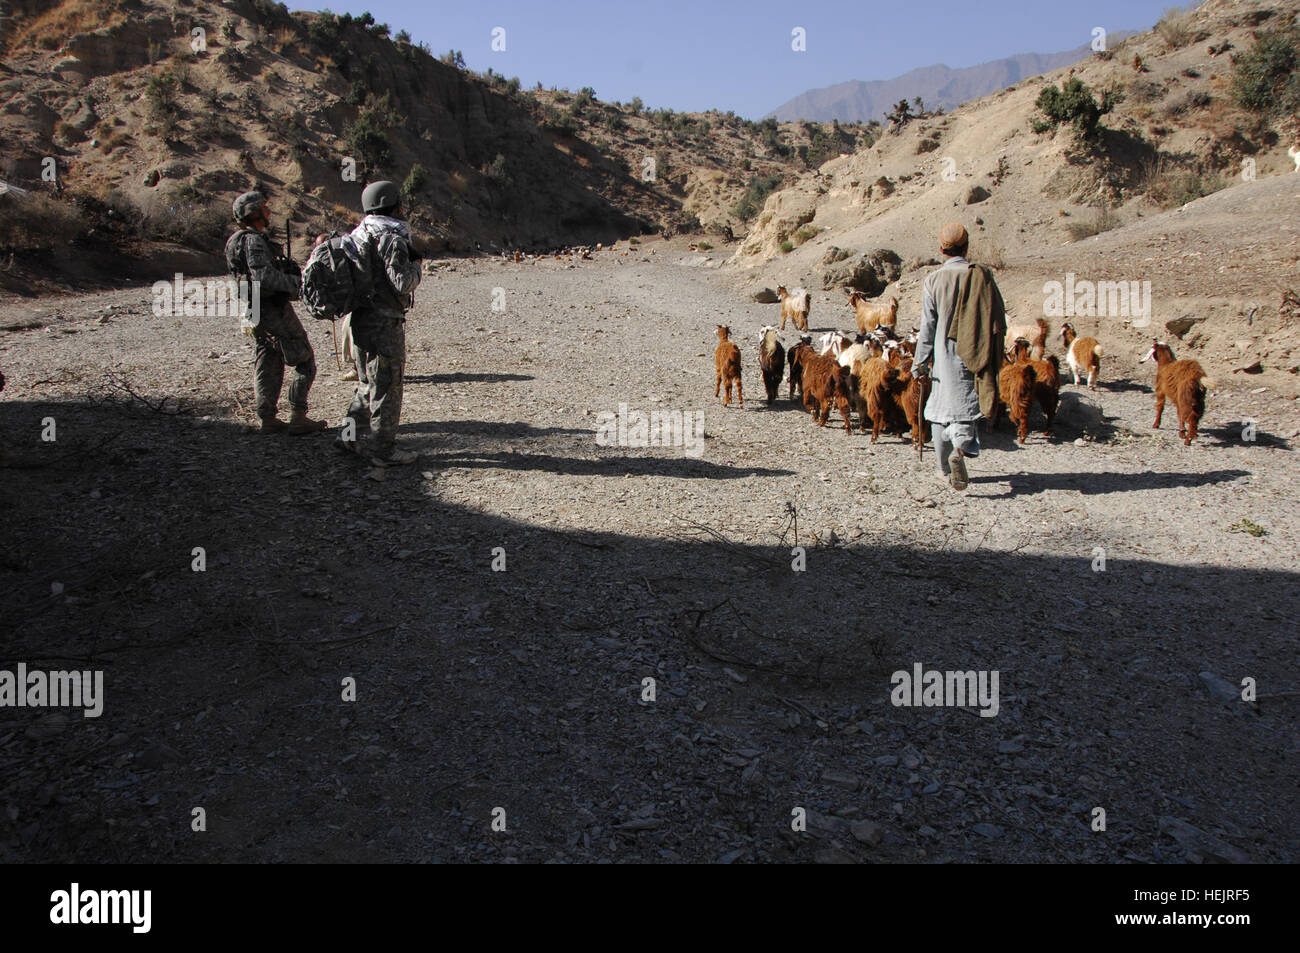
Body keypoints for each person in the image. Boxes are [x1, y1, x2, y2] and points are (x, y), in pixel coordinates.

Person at [911, 223, 1006, 491]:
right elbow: (995, 316)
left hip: (942, 356)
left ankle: (943, 469)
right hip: (974, 352)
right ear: (967, 247)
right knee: (965, 409)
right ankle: (960, 452)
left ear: (942, 249)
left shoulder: (933, 280)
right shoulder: (981, 276)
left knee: (940, 410)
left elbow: (927, 327)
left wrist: (920, 363)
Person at [225, 191, 327, 435]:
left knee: (268, 360)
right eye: (264, 207)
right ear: (253, 212)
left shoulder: (234, 240)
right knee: (304, 358)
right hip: (272, 309)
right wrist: (295, 283)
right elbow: (263, 276)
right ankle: (298, 415)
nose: (268, 212)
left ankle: (267, 417)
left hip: (255, 310)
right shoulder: (253, 241)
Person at [336, 180, 423, 465]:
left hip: (359, 319)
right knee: (388, 386)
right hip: (384, 323)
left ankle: (348, 436)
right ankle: (383, 452)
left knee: (366, 382)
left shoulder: (359, 233)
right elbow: (403, 282)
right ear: (394, 206)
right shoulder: (390, 237)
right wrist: (417, 266)